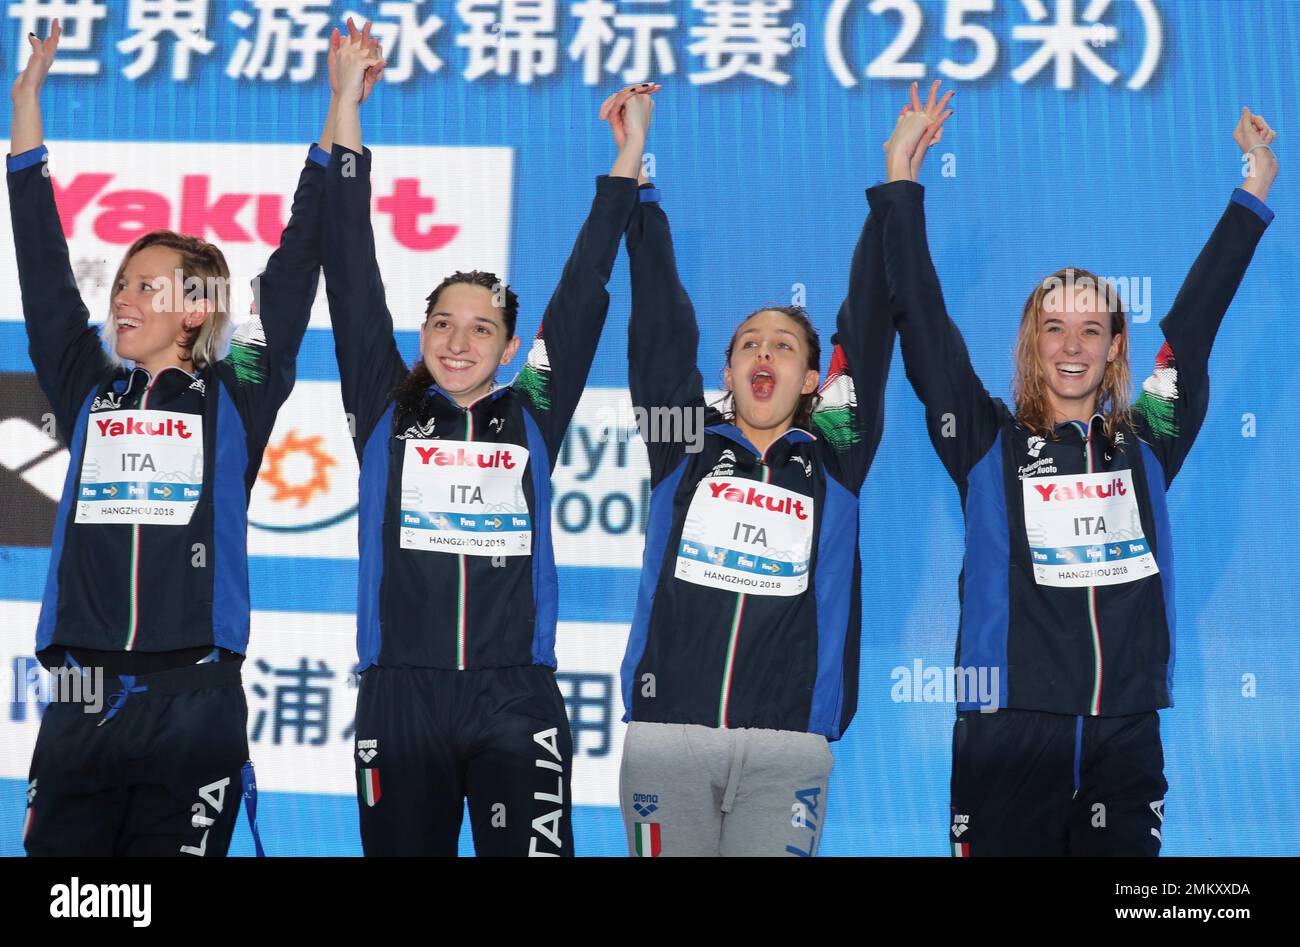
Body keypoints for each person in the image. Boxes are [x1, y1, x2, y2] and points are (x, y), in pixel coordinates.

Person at [874, 80, 1277, 855]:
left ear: (1116, 346)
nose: (1071, 345)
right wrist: (902, 180)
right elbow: (921, 323)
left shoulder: (1147, 441)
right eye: (1053, 326)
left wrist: (1252, 189)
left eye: (1091, 328)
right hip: (1007, 727)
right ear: (1032, 342)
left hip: (1124, 730)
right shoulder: (985, 440)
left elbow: (1194, 326)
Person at [11, 18, 381, 856]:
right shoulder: (87, 386)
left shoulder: (236, 392)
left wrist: (338, 104)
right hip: (79, 694)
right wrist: (26, 110)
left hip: (196, 700)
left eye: (147, 284)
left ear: (197, 307)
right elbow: (40, 260)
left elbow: (297, 259)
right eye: (122, 283)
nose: (123, 298)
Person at [321, 59, 653, 854]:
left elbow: (582, 292)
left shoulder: (532, 408)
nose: (458, 340)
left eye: (479, 328)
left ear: (509, 348)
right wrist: (344, 111)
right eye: (442, 323)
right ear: (422, 334)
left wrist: (626, 162)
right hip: (401, 693)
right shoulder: (385, 405)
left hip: (516, 698)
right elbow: (351, 268)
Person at [614, 91, 906, 857]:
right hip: (666, 735)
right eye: (749, 342)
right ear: (728, 368)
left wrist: (894, 189)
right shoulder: (683, 442)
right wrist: (641, 192)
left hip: (788, 747)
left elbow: (868, 330)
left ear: (814, 379)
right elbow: (656, 328)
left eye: (784, 345)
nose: (764, 354)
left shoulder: (834, 453)